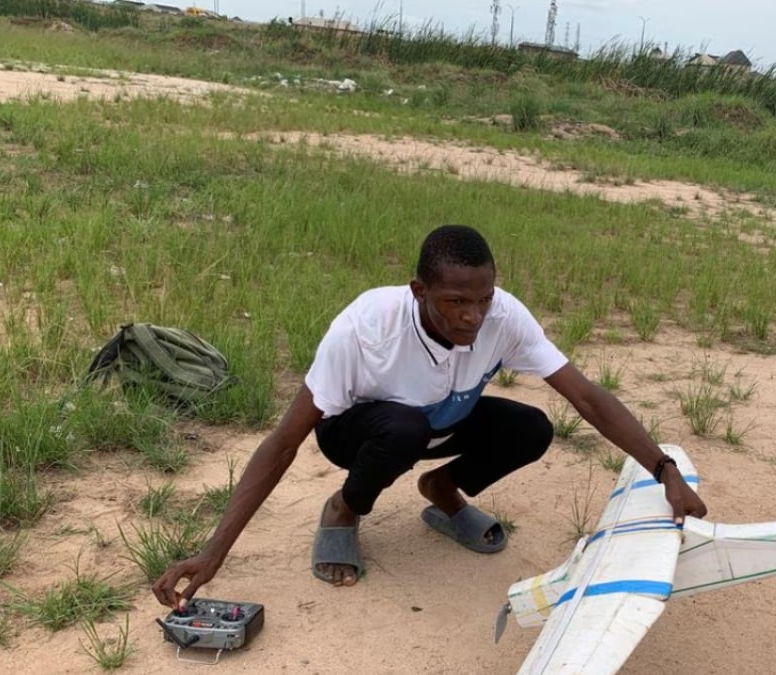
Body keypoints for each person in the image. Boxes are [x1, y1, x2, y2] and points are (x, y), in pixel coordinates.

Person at [152, 224, 707, 608]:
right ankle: (343, 510)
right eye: (455, 302)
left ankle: (442, 490)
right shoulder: (365, 328)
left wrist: (663, 470)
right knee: (403, 428)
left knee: (532, 428)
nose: (473, 317)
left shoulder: (503, 316)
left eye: (483, 299)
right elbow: (282, 444)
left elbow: (586, 397)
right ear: (420, 291)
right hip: (359, 433)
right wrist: (213, 550)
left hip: (443, 419)